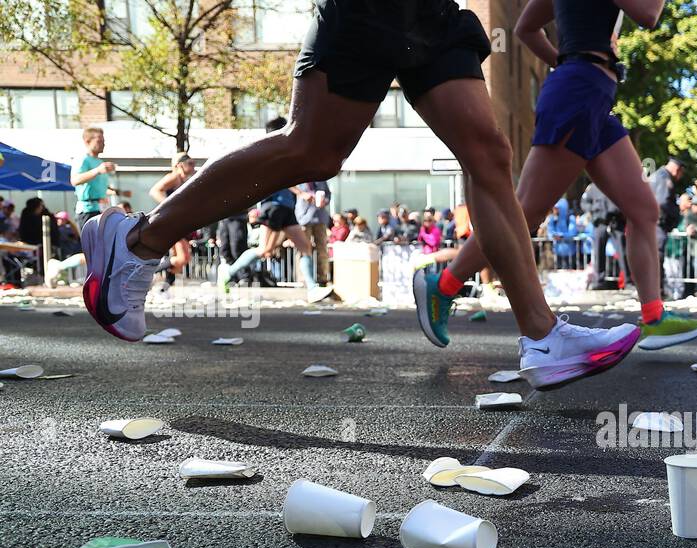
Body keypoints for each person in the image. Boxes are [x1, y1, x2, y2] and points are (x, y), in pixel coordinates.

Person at [78, 0, 639, 388]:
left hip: (433, 15)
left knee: (487, 151)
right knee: (314, 152)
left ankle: (543, 337)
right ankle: (141, 240)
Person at [414, 0, 697, 353]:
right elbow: (648, 14)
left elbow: (526, 28)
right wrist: (569, 65)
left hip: (590, 92)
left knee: (644, 210)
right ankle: (444, 286)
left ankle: (654, 317)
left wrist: (563, 62)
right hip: (579, 91)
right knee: (524, 212)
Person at [213, 119, 323, 296]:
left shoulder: (284, 152)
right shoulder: (271, 153)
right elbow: (282, 179)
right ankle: (229, 272)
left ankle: (312, 289)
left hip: (286, 208)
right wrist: (300, 193)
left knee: (305, 247)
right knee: (264, 249)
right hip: (273, 206)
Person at [148, 152, 198, 293]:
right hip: (172, 223)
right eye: (190, 163)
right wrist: (170, 207)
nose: (193, 166)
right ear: (179, 165)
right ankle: (149, 271)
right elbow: (154, 191)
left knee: (177, 262)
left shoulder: (181, 180)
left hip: (176, 221)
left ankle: (164, 288)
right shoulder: (174, 177)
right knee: (183, 258)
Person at [295, 179, 333, 284]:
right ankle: (303, 278)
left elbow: (328, 194)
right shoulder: (299, 179)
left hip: (320, 218)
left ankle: (323, 277)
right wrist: (302, 194)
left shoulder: (321, 179)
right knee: (303, 249)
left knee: (322, 249)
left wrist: (325, 200)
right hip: (303, 217)